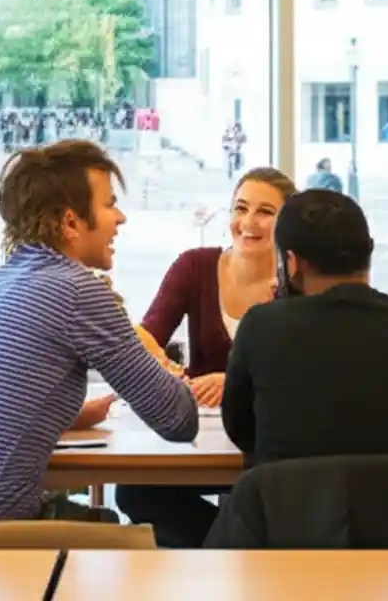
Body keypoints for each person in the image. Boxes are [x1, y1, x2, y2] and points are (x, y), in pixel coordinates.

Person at [0, 139, 198, 547]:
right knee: (163, 546)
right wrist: (142, 346)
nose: (121, 217)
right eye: (110, 204)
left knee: (116, 519)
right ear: (70, 222)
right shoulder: (77, 291)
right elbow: (180, 420)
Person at [223, 190, 388, 468]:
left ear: (291, 263)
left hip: (293, 508)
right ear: (369, 251)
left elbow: (242, 432)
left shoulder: (263, 326)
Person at [116, 167, 295, 548]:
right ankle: (238, 553)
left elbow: (305, 372)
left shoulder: (297, 284)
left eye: (265, 212)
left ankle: (230, 556)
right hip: (201, 439)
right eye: (240, 208)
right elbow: (144, 336)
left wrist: (235, 383)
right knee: (133, 492)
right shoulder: (195, 266)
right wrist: (172, 373)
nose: (248, 222)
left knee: (270, 499)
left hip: (266, 446)